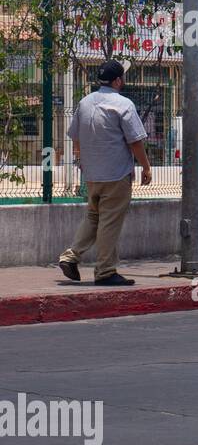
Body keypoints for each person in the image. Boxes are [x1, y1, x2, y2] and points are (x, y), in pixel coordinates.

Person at [58, 60, 153, 286]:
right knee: (109, 221)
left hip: (91, 174)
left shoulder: (84, 103)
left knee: (94, 216)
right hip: (116, 175)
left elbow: (76, 136)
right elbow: (135, 141)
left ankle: (70, 257)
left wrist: (84, 161)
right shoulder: (124, 104)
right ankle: (105, 271)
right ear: (118, 80)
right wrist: (146, 167)